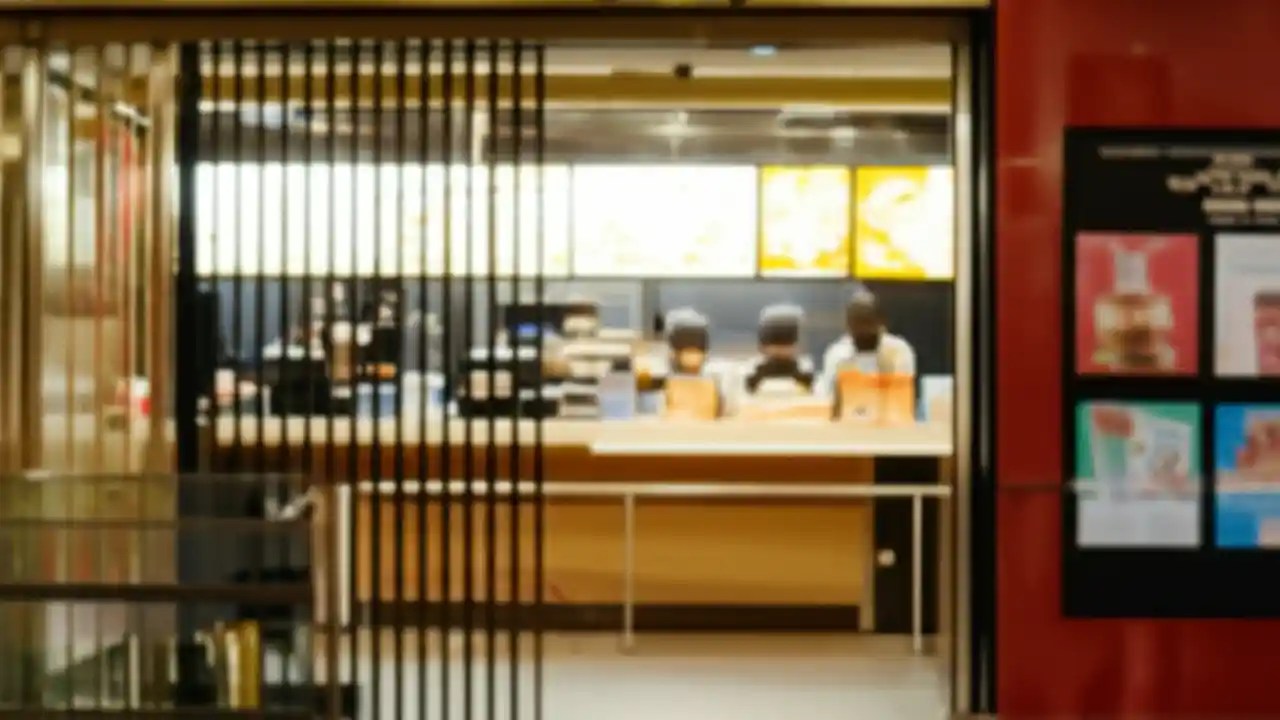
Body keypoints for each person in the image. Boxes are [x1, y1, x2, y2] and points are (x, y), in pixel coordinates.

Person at [817, 288, 916, 396]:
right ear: (848, 324)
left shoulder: (899, 351)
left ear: (881, 322)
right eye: (857, 322)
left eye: (868, 321)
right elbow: (829, 395)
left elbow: (903, 395)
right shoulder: (837, 355)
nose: (863, 329)